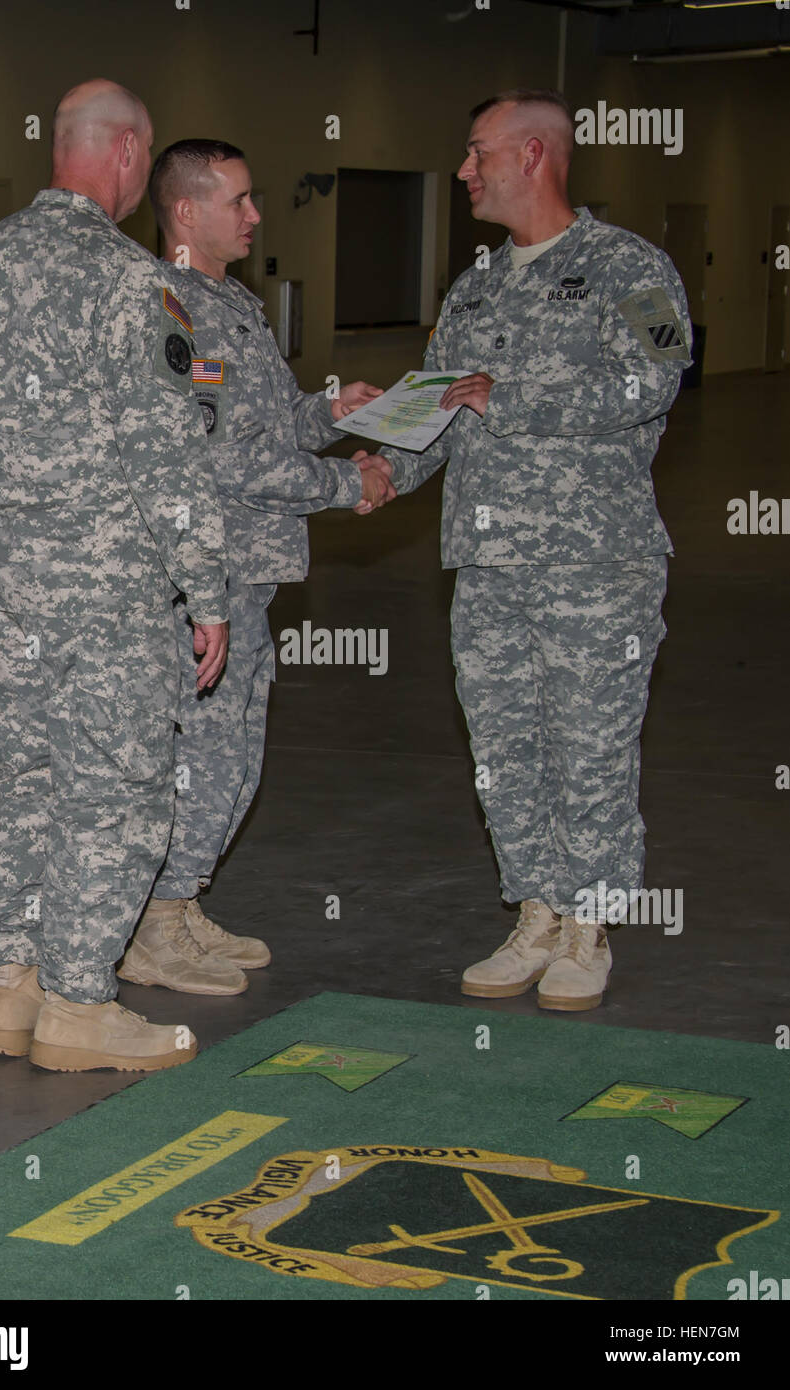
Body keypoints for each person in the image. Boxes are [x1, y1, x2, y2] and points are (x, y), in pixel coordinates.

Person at [0, 80, 231, 1071]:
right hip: (109, 596)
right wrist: (206, 588)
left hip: (4, 588)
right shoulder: (136, 283)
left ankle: (11, 987)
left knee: (20, 780)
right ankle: (78, 1005)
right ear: (130, 154)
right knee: (115, 787)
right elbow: (166, 455)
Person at [373, 89, 691, 1010]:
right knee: (502, 746)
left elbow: (655, 380)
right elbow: (441, 406)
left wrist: (500, 395)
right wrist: (378, 465)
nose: (465, 171)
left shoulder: (632, 266)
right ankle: (536, 911)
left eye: (477, 154)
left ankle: (588, 925)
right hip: (487, 562)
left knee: (589, 744)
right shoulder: (474, 285)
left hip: (595, 562)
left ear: (533, 156)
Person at [117, 139, 393, 995]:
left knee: (235, 753)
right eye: (237, 200)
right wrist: (349, 483)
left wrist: (327, 412)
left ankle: (180, 900)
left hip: (248, 577)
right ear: (187, 212)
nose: (254, 215)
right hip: (204, 578)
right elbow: (218, 460)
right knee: (205, 754)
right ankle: (153, 925)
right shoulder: (175, 308)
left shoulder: (230, 300)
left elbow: (260, 431)